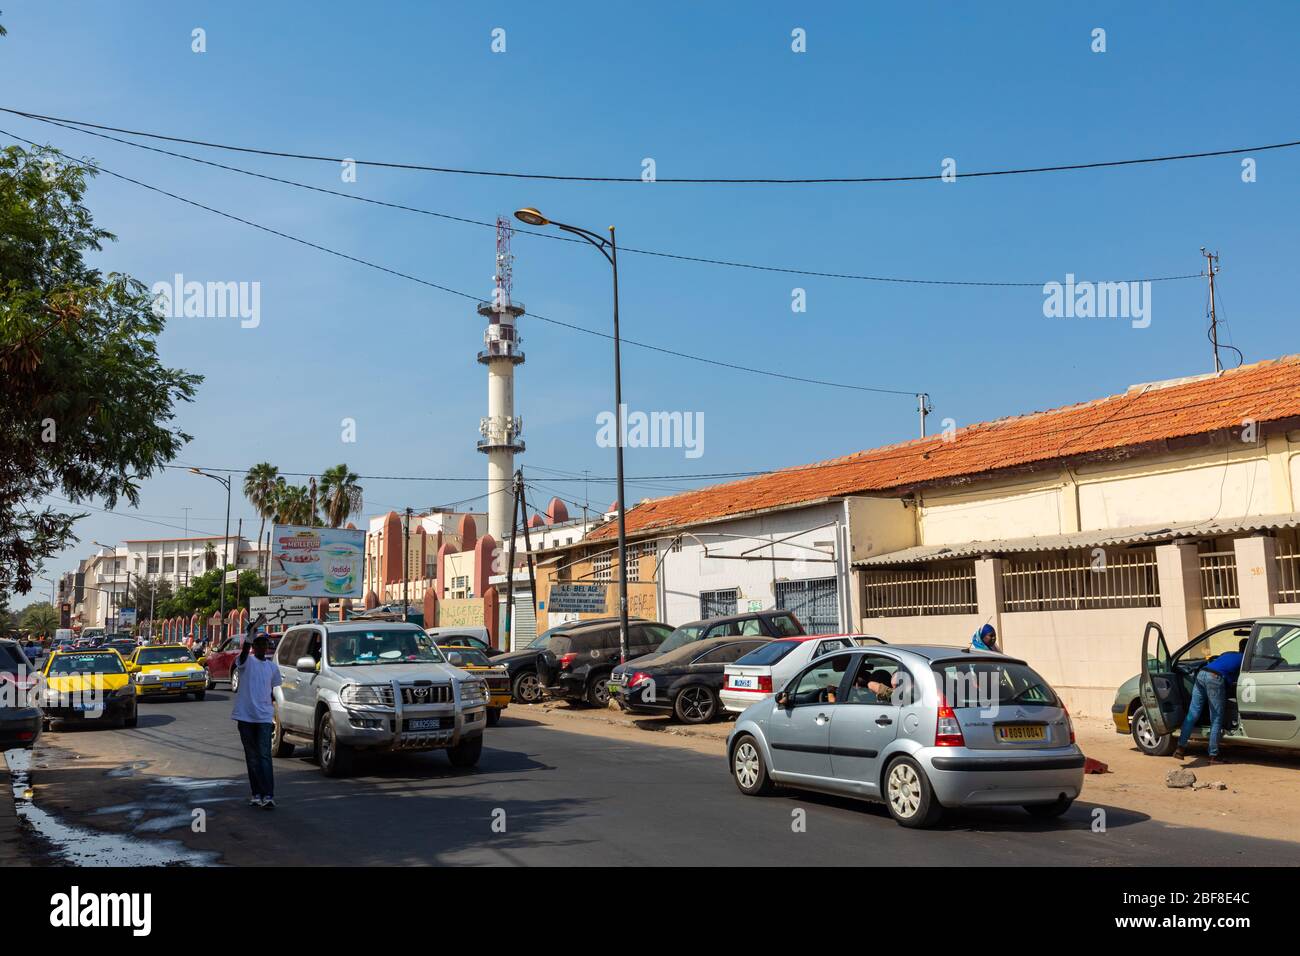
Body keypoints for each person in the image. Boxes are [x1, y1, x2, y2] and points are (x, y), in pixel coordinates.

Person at [1173, 639, 1245, 764]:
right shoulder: (1244, 659)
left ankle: (1180, 748)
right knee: (1216, 717)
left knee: (1193, 713)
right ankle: (1213, 755)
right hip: (1215, 678)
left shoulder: (1229, 654)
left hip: (1202, 673)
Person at [231, 633, 283, 808]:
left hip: (264, 718)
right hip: (245, 717)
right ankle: (256, 793)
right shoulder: (246, 662)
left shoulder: (272, 668)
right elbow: (243, 655)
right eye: (258, 643)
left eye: (264, 644)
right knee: (252, 757)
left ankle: (268, 795)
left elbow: (272, 692)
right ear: (253, 646)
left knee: (264, 756)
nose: (261, 647)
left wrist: (272, 710)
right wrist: (248, 637)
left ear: (267, 647)